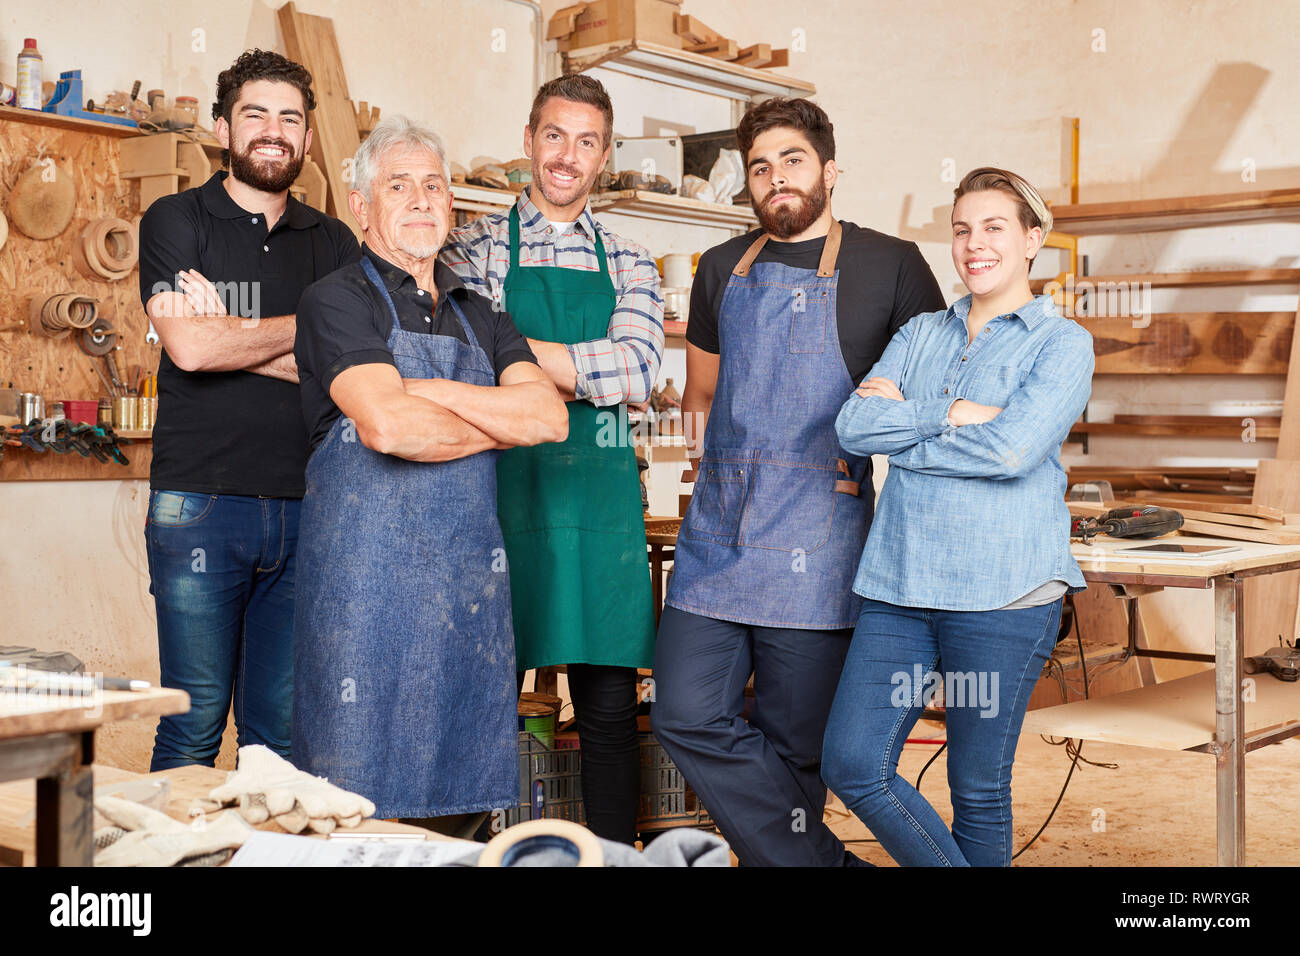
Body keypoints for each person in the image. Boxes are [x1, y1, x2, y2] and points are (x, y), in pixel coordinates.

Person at [648, 97, 945, 866]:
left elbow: (932, 400)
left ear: (830, 170)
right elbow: (701, 400)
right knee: (684, 710)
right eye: (759, 166)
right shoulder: (721, 268)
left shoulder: (892, 264)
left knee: (795, 750)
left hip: (823, 532)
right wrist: (693, 488)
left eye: (792, 160)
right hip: (718, 537)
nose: (774, 177)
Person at [291, 115, 567, 829]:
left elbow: (547, 420)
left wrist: (430, 392)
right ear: (361, 205)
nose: (420, 200)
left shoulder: (483, 315)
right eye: (398, 185)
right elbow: (386, 427)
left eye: (434, 186)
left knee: (462, 811)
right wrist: (494, 421)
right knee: (350, 806)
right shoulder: (336, 300)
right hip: (364, 600)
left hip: (465, 601)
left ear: (452, 203)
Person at [822, 167, 1095, 866]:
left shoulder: (1061, 344)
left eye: (995, 227)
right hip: (901, 587)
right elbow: (854, 427)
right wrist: (949, 414)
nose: (975, 244)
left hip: (1004, 592)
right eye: (962, 229)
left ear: (1033, 239)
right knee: (853, 763)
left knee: (976, 790)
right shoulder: (920, 332)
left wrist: (906, 434)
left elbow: (1010, 451)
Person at [440, 75, 663, 844]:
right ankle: (481, 856)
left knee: (606, 708)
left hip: (599, 504)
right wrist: (575, 371)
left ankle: (609, 860)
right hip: (496, 493)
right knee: (483, 697)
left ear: (605, 156)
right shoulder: (468, 246)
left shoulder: (634, 259)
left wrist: (513, 354)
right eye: (556, 136)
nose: (569, 156)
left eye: (588, 141)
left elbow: (638, 373)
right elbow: (461, 360)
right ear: (531, 139)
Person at [137, 49, 360, 771]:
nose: (274, 130)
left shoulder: (333, 241)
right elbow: (192, 352)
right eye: (256, 114)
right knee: (193, 726)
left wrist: (230, 330)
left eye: (290, 117)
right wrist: (306, 329)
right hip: (199, 502)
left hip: (308, 508)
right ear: (223, 128)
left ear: (306, 135)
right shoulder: (176, 219)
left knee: (280, 741)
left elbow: (348, 372)